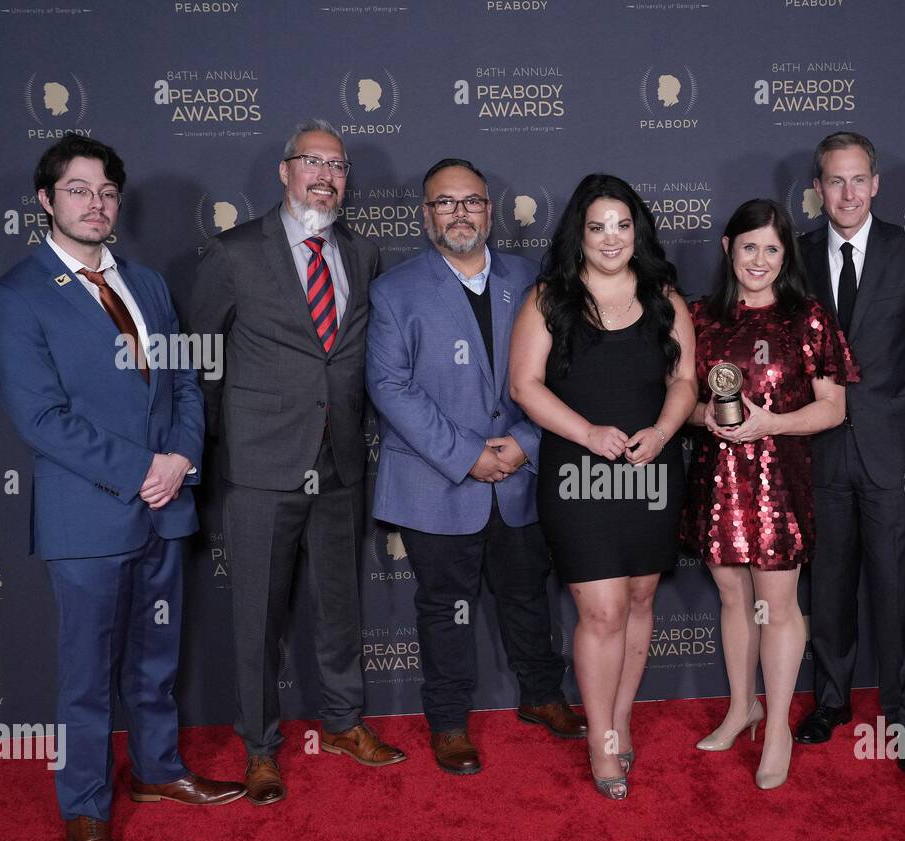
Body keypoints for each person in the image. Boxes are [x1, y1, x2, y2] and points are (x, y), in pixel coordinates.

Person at [0, 134, 245, 841]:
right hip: (89, 516)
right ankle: (87, 809)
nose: (94, 204)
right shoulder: (15, 295)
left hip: (165, 506)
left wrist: (182, 460)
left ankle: (159, 769)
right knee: (86, 675)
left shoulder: (149, 285)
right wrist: (143, 470)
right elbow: (40, 419)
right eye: (78, 190)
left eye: (105, 193)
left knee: (156, 659)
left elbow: (187, 385)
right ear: (46, 200)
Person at [188, 119, 403, 806]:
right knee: (258, 617)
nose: (325, 175)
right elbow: (202, 363)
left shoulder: (364, 253)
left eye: (337, 166)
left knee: (341, 607)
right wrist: (223, 450)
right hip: (259, 467)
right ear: (284, 172)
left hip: (340, 460)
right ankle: (259, 749)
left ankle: (342, 723)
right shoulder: (233, 253)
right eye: (312, 161)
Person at [366, 158, 584, 775]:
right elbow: (390, 386)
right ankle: (449, 722)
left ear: (490, 211)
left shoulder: (533, 280)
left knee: (528, 595)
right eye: (444, 202)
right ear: (426, 214)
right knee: (443, 605)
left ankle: (543, 696)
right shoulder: (395, 290)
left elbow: (560, 372)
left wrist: (524, 442)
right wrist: (467, 456)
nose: (459, 213)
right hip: (435, 480)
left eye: (470, 202)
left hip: (522, 469)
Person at [510, 174, 696, 800]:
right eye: (597, 227)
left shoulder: (665, 298)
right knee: (604, 610)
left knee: (640, 602)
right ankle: (600, 741)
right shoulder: (548, 299)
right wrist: (588, 433)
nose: (611, 238)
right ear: (579, 235)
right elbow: (525, 386)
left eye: (622, 225)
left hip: (651, 472)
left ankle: (619, 719)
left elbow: (686, 382)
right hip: (578, 473)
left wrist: (665, 433)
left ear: (637, 230)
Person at [684, 199, 856, 789]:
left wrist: (770, 424)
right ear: (727, 247)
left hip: (780, 480)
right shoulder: (698, 315)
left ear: (787, 257)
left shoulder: (808, 317)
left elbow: (833, 409)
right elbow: (676, 402)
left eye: (772, 249)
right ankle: (743, 707)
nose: (759, 260)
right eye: (749, 246)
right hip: (716, 478)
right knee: (734, 599)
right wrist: (708, 415)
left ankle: (778, 725)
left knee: (777, 605)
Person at [797, 132, 905, 772]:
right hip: (820, 455)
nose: (848, 193)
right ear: (818, 188)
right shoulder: (796, 256)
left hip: (897, 457)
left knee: (897, 591)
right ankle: (831, 699)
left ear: (877, 183)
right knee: (828, 587)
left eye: (858, 179)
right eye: (835, 181)